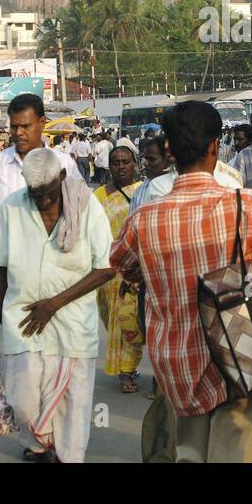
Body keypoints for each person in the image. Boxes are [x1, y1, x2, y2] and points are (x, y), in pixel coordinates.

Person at [111, 101, 252, 463]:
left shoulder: (143, 219)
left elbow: (123, 267)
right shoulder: (246, 207)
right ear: (215, 147)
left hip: (176, 365)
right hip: (242, 357)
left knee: (187, 452)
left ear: (170, 152)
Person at [0, 149, 115, 463]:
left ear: (62, 178)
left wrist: (54, 304)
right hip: (23, 321)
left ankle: (68, 456)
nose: (42, 201)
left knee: (74, 407)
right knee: (23, 401)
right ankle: (41, 441)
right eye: (35, 195)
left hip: (73, 325)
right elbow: (1, 272)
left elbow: (106, 267)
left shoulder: (86, 207)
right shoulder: (12, 207)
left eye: (48, 194)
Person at [0, 94, 83, 316]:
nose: (19, 133)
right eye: (14, 126)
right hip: (7, 282)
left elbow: (79, 221)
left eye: (25, 126)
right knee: (10, 345)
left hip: (55, 282)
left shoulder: (65, 166)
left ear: (42, 123)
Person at [95, 145, 144, 393]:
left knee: (129, 322)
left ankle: (127, 370)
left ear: (134, 164)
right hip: (105, 271)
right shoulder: (99, 196)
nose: (121, 166)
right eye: (116, 162)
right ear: (109, 166)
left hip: (133, 270)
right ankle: (124, 366)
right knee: (111, 320)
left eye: (126, 161)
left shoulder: (143, 192)